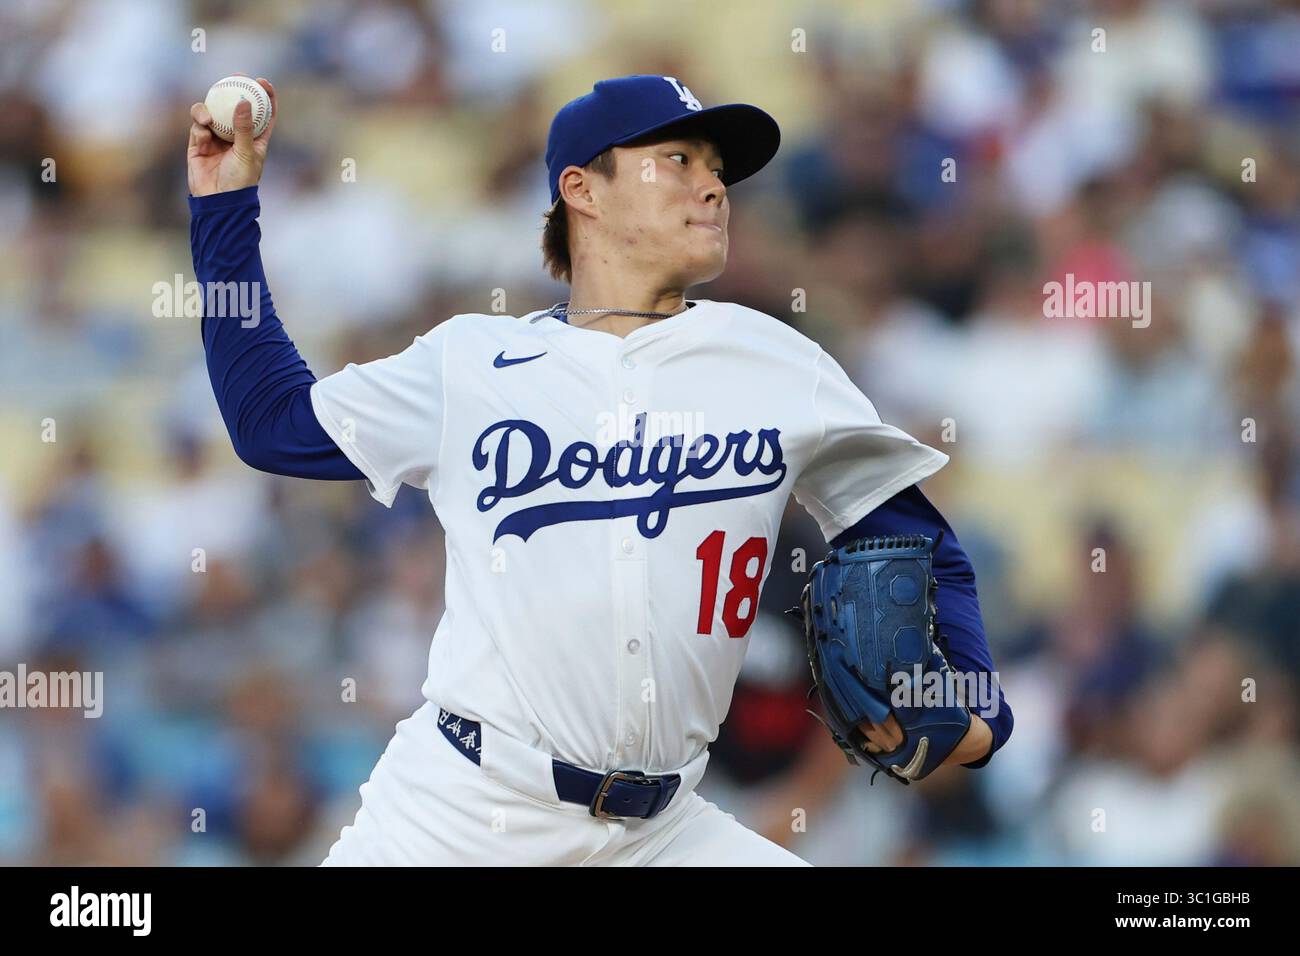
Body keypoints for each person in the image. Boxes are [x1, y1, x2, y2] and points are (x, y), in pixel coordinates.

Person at [186, 74, 1012, 865]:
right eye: (678, 161)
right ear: (582, 189)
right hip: (465, 811)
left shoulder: (777, 363)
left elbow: (918, 544)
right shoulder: (474, 361)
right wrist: (224, 210)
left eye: (717, 170)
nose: (714, 187)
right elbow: (270, 425)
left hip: (663, 831)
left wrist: (977, 709)